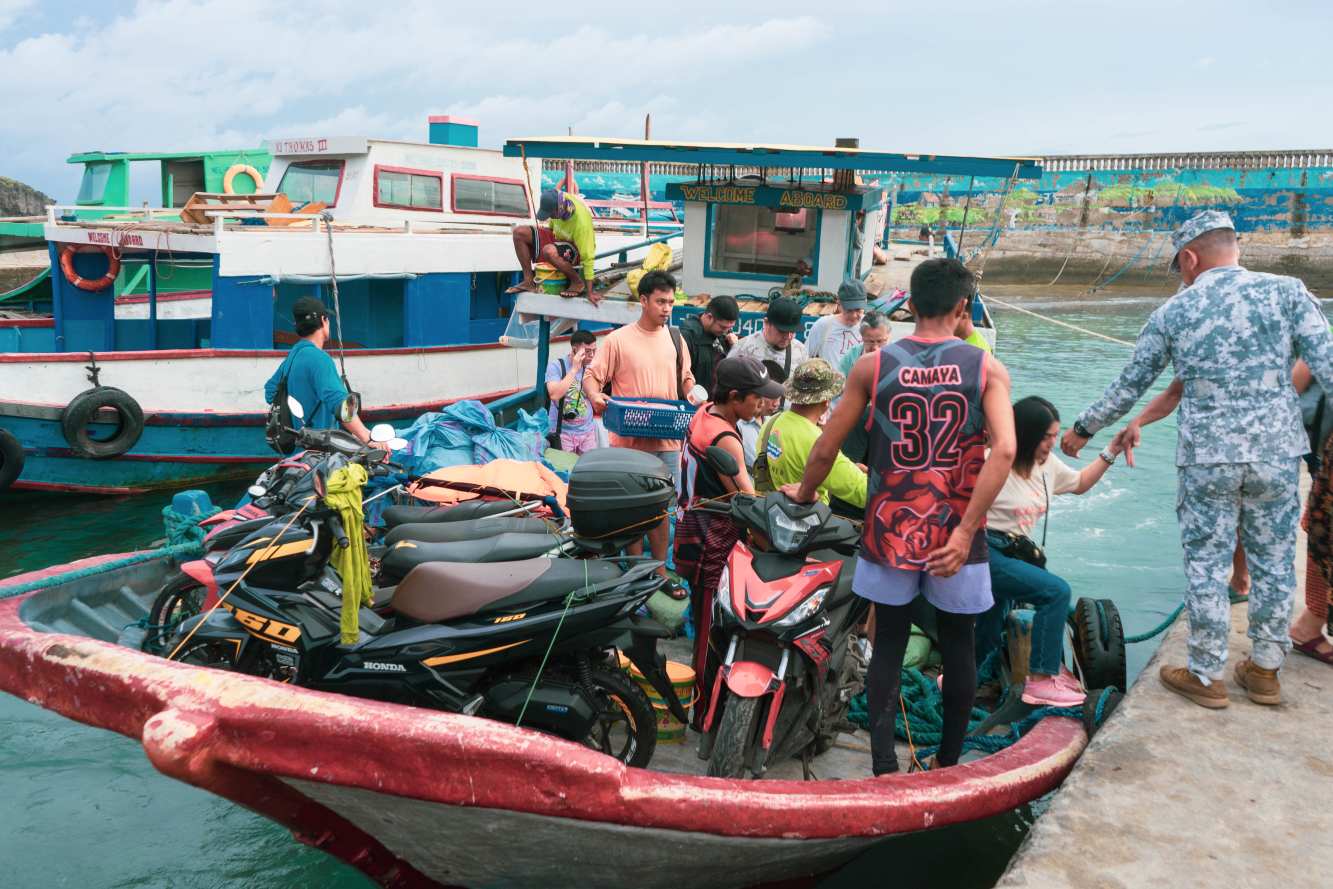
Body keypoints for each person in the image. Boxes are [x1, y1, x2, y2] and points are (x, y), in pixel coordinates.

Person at [1061, 210, 1333, 708]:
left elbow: (1131, 383)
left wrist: (1084, 428)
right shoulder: (1289, 291)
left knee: (1206, 564)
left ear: (1190, 258)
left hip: (1208, 458)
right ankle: (1266, 670)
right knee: (1274, 561)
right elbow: (1328, 365)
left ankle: (1206, 675)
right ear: (1235, 246)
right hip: (1276, 454)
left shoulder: (1175, 312)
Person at [782, 258, 1015, 773]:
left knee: (887, 640)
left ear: (908, 305)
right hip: (956, 532)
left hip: (890, 528)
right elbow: (1004, 451)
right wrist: (966, 530)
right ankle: (949, 762)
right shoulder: (985, 368)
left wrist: (804, 491)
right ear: (962, 307)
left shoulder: (874, 365)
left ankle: (884, 764)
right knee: (959, 642)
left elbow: (826, 444)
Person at [1117, 362, 1333, 666]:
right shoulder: (1292, 331)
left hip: (1234, 451)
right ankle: (1258, 666)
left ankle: (1214, 671)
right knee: (1266, 551)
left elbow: (1170, 390)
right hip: (1262, 452)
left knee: (1222, 551)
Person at [980, 396, 1125, 707]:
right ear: (1028, 433)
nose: (1052, 443)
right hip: (983, 550)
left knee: (992, 621)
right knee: (1055, 592)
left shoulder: (1046, 465)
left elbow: (1081, 482)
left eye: (1055, 435)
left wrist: (1111, 450)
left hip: (1015, 553)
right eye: (1046, 436)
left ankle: (971, 676)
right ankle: (1042, 679)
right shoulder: (990, 460)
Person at [675, 355, 784, 720]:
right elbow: (747, 501)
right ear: (735, 396)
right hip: (711, 539)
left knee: (710, 625)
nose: (763, 403)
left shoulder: (706, 411)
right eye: (757, 397)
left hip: (692, 528)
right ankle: (704, 715)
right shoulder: (724, 438)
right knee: (709, 631)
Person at [585, 269, 698, 593]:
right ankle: (636, 572)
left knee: (661, 508)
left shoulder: (676, 338)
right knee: (633, 507)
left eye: (671, 302)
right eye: (660, 301)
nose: (666, 308)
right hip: (629, 440)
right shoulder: (619, 339)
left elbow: (685, 378)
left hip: (667, 439)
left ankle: (659, 572)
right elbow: (593, 377)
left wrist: (692, 392)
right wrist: (595, 395)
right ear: (644, 300)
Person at [264, 297, 386, 449]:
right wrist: (367, 437)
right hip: (321, 456)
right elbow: (341, 405)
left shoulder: (293, 355)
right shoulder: (320, 359)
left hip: (299, 454)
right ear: (323, 320)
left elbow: (270, 392)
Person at [758, 358, 867, 515]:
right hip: (805, 528)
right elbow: (864, 493)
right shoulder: (819, 444)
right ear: (826, 401)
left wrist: (847, 469)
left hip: (767, 517)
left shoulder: (771, 423)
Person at [507, 188, 599, 303]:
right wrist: (542, 237)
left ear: (559, 209)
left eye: (550, 214)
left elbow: (588, 257)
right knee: (519, 232)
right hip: (558, 239)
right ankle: (528, 281)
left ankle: (577, 282)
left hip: (575, 249)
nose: (549, 217)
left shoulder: (582, 224)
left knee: (548, 251)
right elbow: (551, 226)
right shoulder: (559, 200)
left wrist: (590, 292)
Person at [729, 296, 808, 400]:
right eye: (782, 331)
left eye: (792, 331)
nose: (788, 337)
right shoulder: (743, 349)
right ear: (766, 323)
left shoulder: (800, 350)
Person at [544, 330, 598, 455]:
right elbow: (554, 394)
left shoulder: (592, 367)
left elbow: (594, 394)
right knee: (566, 471)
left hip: (587, 432)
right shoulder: (556, 366)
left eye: (594, 350)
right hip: (563, 433)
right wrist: (574, 369)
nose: (592, 355)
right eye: (587, 351)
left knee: (587, 470)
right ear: (574, 350)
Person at [679, 295, 740, 394]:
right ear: (709, 317)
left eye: (730, 327)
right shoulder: (688, 336)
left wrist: (735, 347)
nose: (726, 331)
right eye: (722, 327)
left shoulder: (727, 336)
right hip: (695, 400)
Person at [805, 279, 868, 371]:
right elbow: (805, 357)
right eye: (849, 310)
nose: (854, 315)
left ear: (865, 302)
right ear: (839, 304)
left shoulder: (869, 325)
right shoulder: (824, 325)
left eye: (858, 310)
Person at [838, 311, 891, 378]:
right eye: (870, 342)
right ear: (862, 337)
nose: (875, 348)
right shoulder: (852, 356)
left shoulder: (897, 356)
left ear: (889, 336)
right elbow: (839, 380)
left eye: (880, 341)